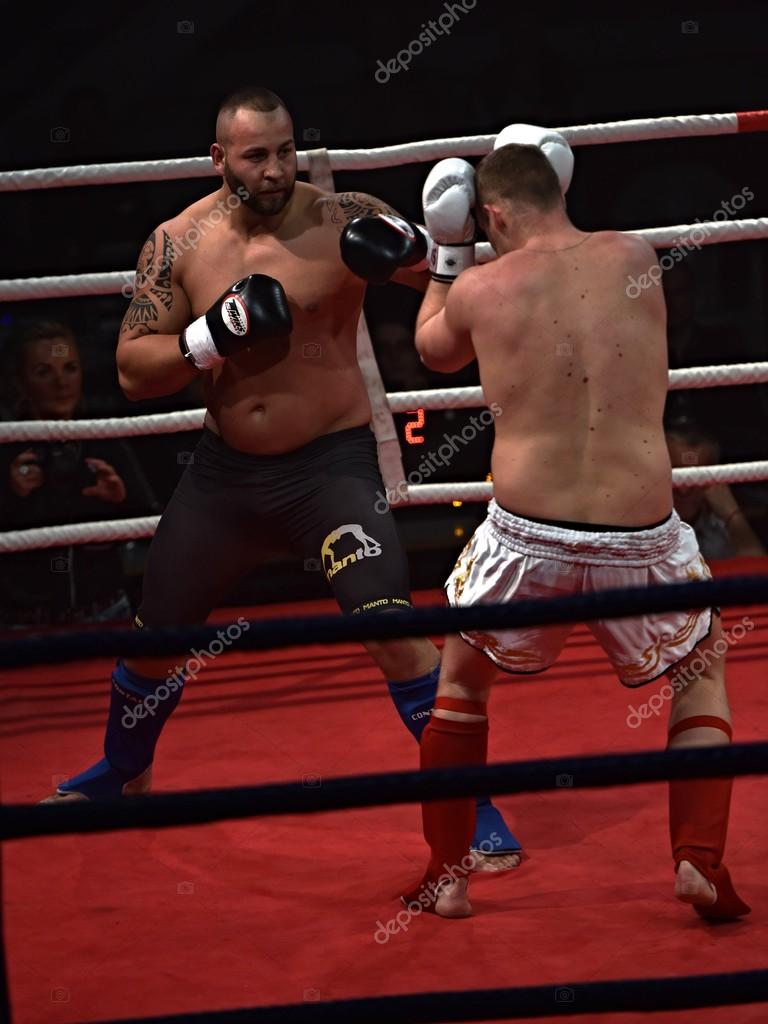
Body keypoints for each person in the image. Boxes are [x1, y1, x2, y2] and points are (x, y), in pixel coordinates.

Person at [42, 86, 521, 870]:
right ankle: (122, 773)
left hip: (330, 469)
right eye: (256, 155)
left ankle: (472, 803)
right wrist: (208, 337)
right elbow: (133, 371)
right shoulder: (178, 242)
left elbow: (466, 293)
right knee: (159, 633)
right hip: (225, 478)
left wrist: (436, 246)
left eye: (286, 151)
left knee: (391, 628)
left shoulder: (343, 219)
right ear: (218, 158)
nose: (275, 170)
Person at [397, 127, 749, 919]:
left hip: (528, 536)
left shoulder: (483, 290)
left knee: (460, 684)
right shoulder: (636, 260)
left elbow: (433, 351)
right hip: (645, 531)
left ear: (492, 215)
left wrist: (448, 254)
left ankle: (448, 878)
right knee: (699, 679)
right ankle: (696, 860)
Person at [0, 322, 157, 627]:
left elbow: (153, 525)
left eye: (70, 368)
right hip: (23, 623)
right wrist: (9, 495)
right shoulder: (5, 447)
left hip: (105, 613)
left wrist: (122, 502)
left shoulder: (103, 438)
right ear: (20, 382)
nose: (62, 382)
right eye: (44, 372)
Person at [665, 415, 765, 559]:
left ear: (715, 479)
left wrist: (733, 515)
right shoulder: (642, 522)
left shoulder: (724, 523)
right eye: (677, 475)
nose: (683, 489)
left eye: (697, 476)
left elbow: (757, 574)